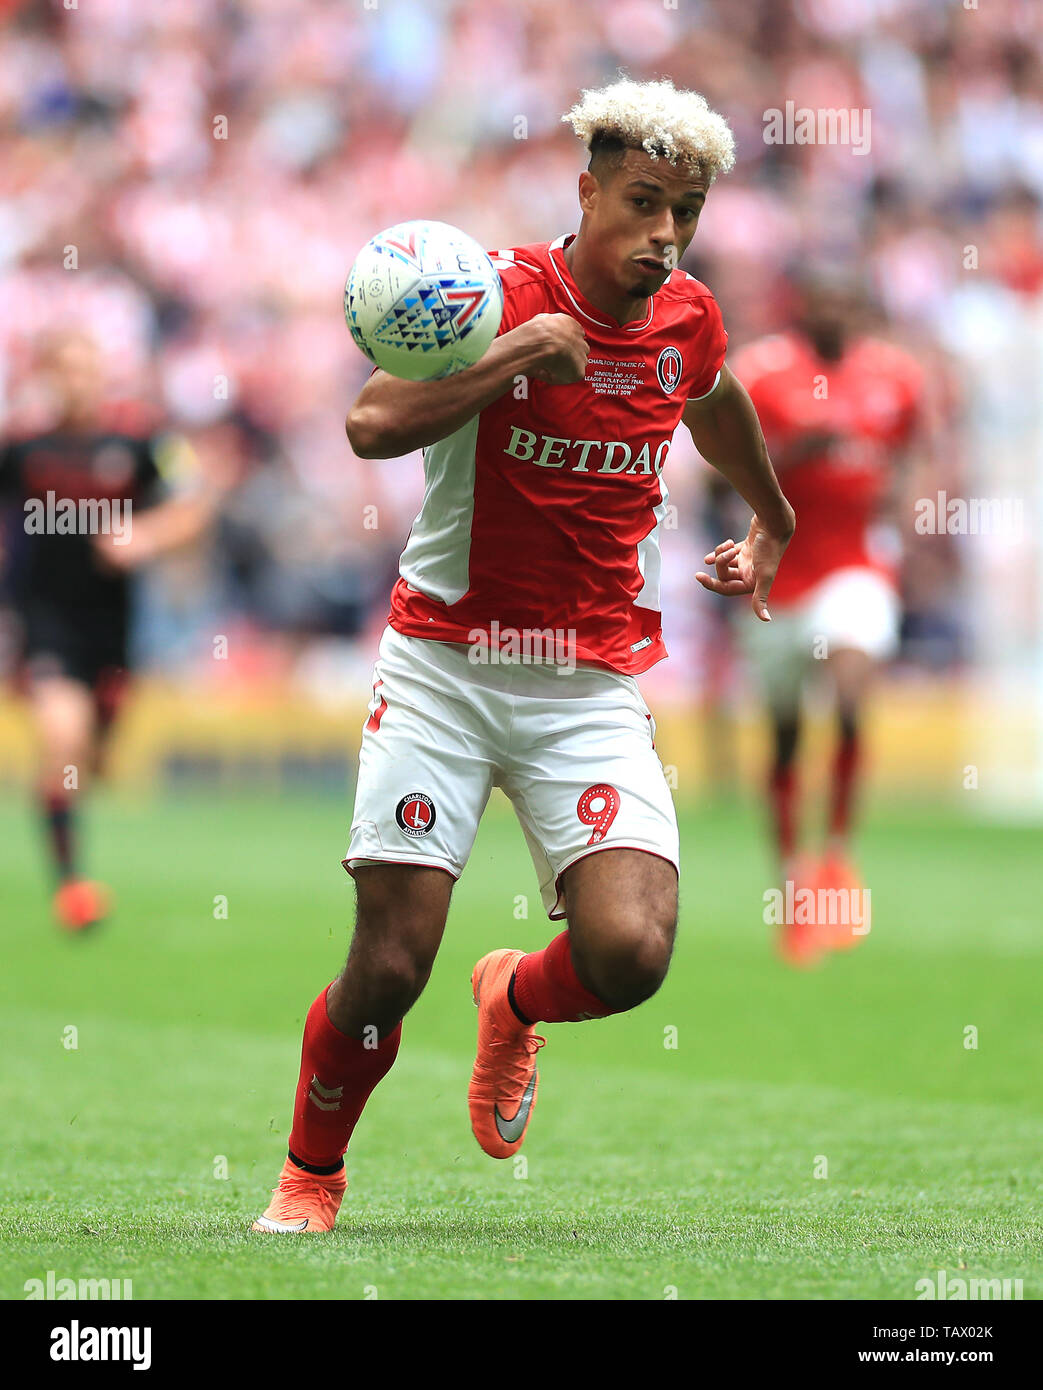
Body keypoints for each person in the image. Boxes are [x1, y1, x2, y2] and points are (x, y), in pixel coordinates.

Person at [253, 77, 795, 1233]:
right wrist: (514, 357)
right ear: (587, 186)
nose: (662, 234)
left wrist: (773, 520)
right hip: (444, 667)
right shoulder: (496, 293)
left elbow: (711, 397)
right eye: (643, 202)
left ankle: (512, 998)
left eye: (683, 214)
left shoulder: (686, 315)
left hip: (589, 681)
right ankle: (310, 1174)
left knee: (631, 950)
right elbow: (369, 424)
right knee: (390, 967)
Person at [729, 274, 924, 965]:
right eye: (822, 300)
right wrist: (789, 456)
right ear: (801, 306)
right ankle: (790, 885)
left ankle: (837, 856)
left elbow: (907, 453)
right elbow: (724, 462)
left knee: (847, 693)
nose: (834, 312)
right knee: (783, 737)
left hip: (854, 566)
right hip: (779, 571)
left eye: (845, 301)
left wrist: (902, 513)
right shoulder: (761, 372)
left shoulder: (894, 376)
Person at [0, 330, 218, 930]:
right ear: (47, 374)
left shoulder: (142, 440)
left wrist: (147, 536)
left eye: (87, 367)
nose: (78, 380)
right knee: (61, 738)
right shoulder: (22, 447)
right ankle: (71, 887)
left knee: (91, 759)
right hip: (44, 623)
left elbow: (196, 502)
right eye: (65, 368)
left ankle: (68, 807)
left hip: (115, 632)